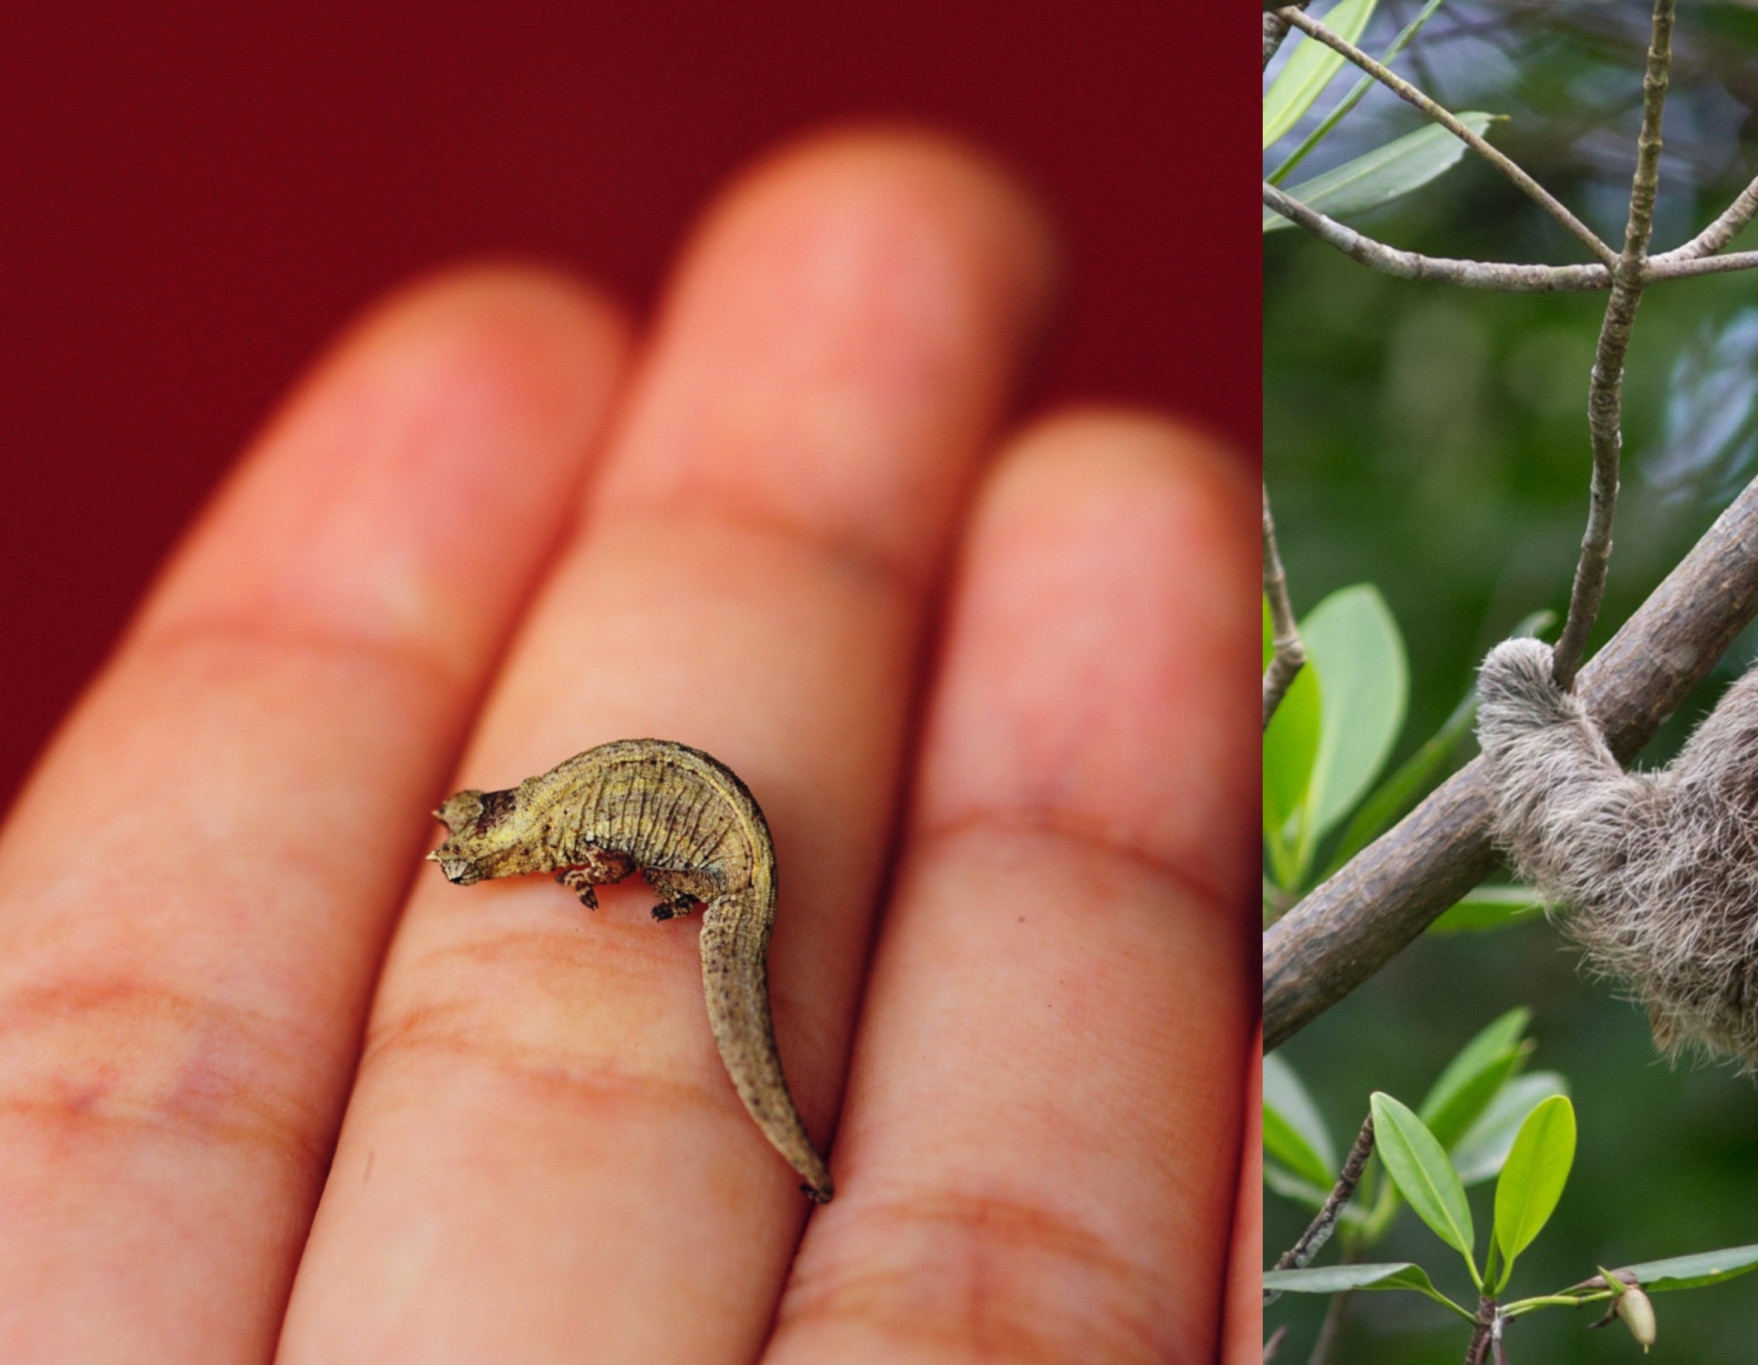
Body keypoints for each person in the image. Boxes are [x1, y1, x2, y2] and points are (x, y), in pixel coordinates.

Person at [0, 128, 1257, 1363]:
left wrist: (609, 880)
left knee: (742, 1015)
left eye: (470, 848)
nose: (464, 863)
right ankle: (795, 1147)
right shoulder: (543, 814)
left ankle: (793, 1145)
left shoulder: (561, 829)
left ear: (501, 829)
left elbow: (604, 844)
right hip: (716, 851)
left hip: (726, 868)